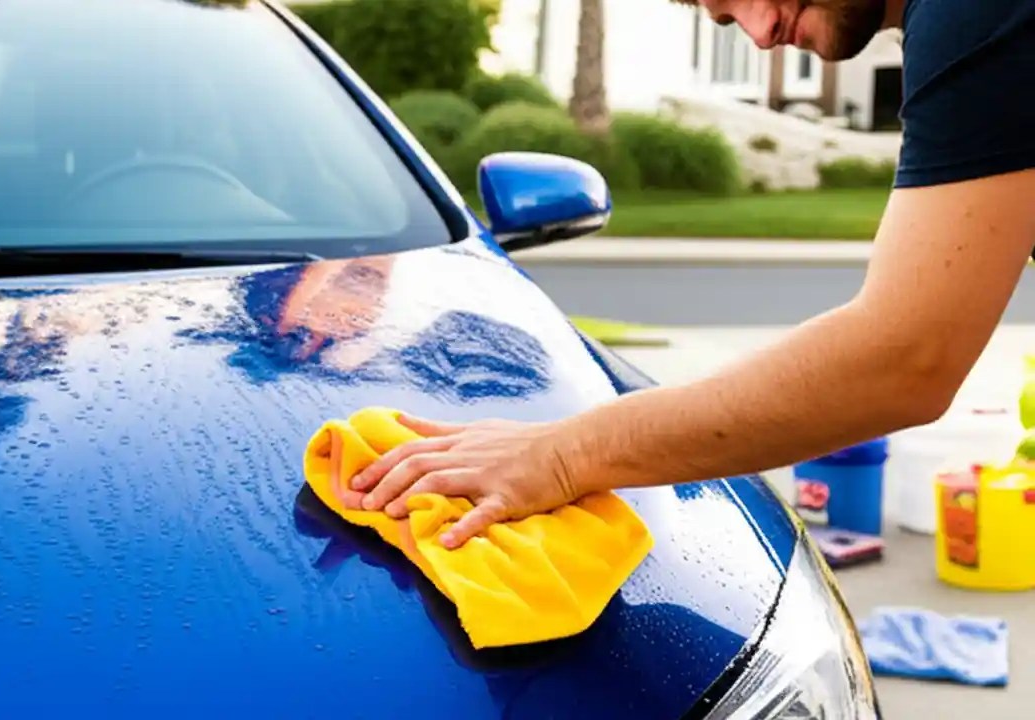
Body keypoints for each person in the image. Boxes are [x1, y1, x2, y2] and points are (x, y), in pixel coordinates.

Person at [345, 0, 1035, 549]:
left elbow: (903, 359)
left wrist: (561, 455)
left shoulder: (975, 15)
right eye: (726, 17)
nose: (762, 33)